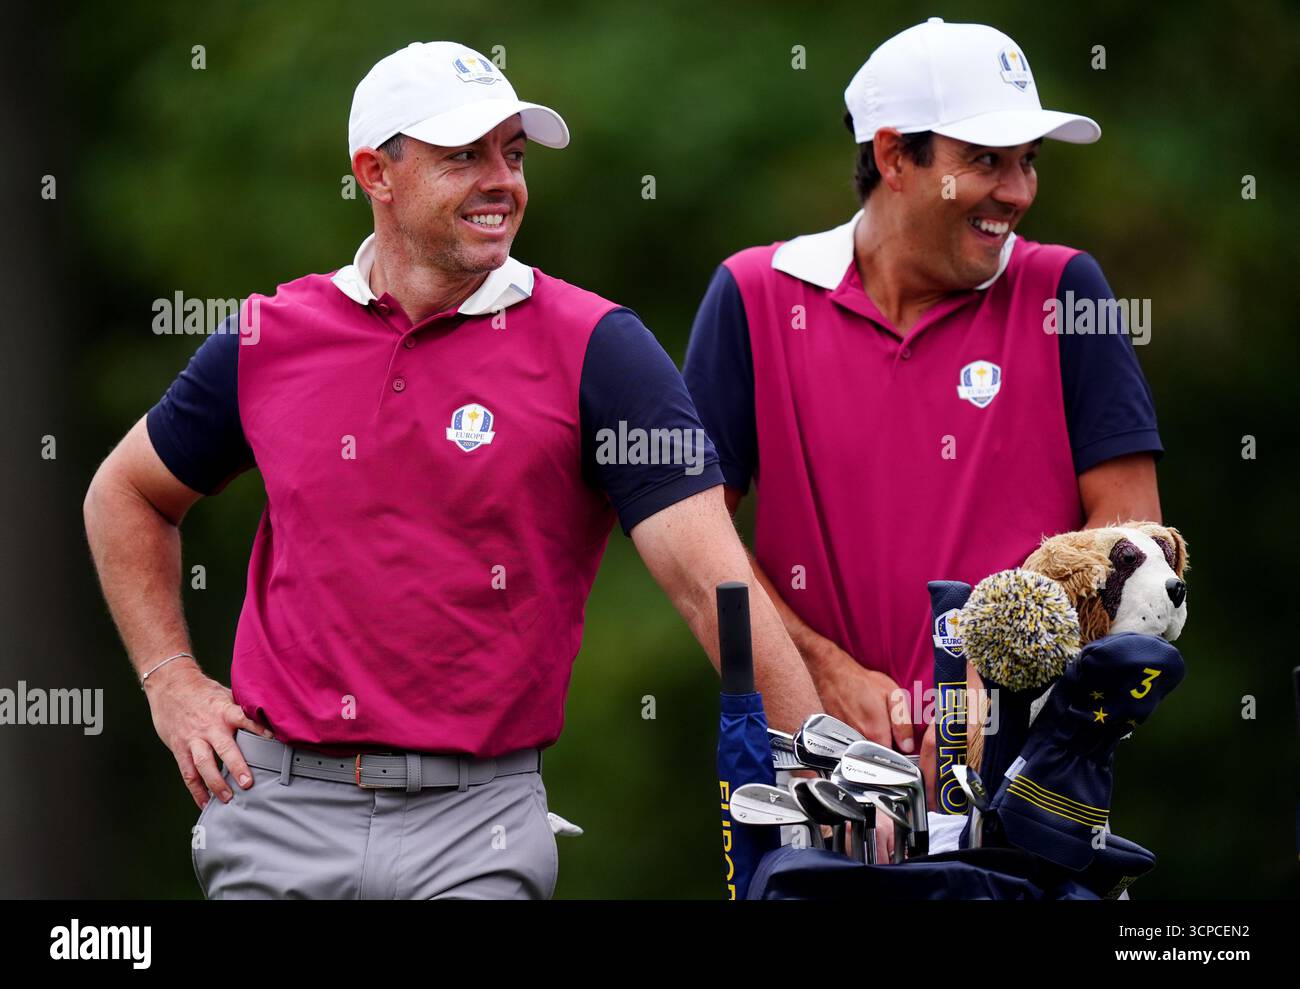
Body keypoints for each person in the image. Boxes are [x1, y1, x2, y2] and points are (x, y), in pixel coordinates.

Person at [83, 41, 819, 899]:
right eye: (463, 155)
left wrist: (812, 767)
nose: (501, 180)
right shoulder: (267, 338)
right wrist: (169, 679)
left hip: (479, 827)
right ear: (376, 172)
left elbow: (712, 584)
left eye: (512, 153)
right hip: (273, 808)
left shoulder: (598, 347)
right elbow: (125, 492)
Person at [683, 19, 1164, 813]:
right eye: (984, 160)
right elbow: (696, 548)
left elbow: (1133, 537)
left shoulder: (1066, 291)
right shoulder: (754, 295)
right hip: (819, 795)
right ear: (892, 157)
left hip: (1025, 795)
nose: (1017, 190)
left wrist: (1011, 677)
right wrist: (817, 673)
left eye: (1028, 162)